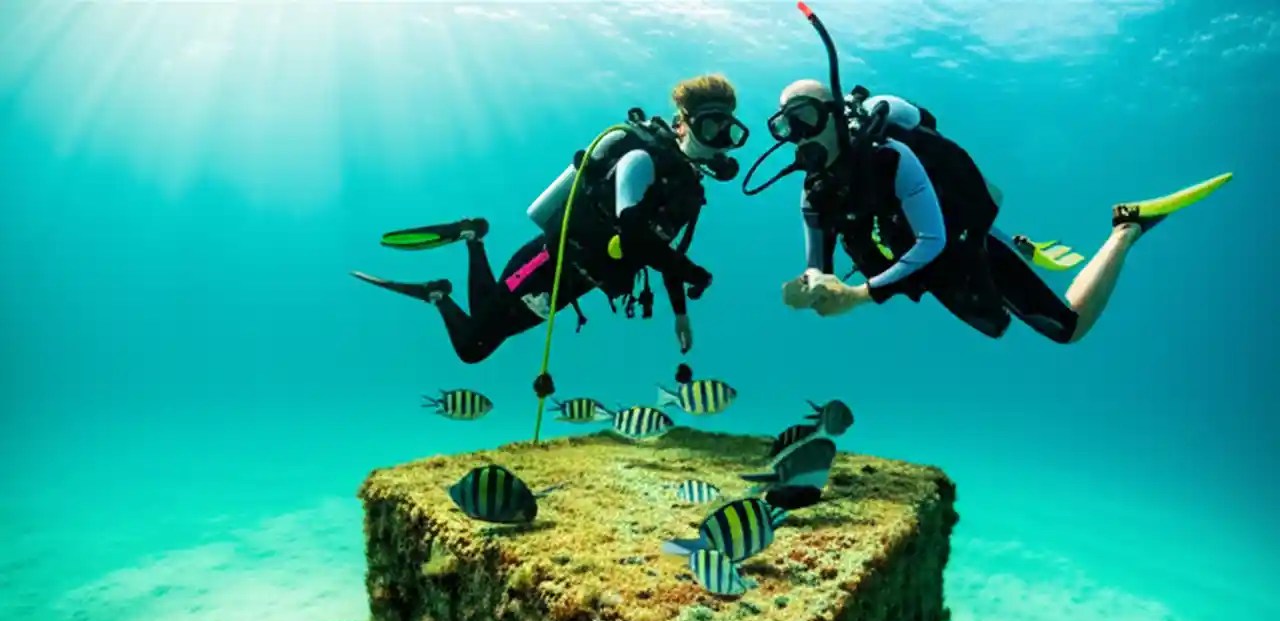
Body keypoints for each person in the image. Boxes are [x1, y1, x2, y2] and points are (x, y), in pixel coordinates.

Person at [745, 77, 1232, 344]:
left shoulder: (891, 155)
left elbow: (932, 242)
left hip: (951, 238)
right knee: (985, 308)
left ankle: (1126, 227)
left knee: (1066, 330)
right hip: (920, 251)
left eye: (805, 118)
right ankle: (1011, 236)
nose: (799, 136)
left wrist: (860, 295)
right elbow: (819, 266)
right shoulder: (814, 190)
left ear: (834, 115)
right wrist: (812, 289)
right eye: (785, 127)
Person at [351, 73, 749, 364]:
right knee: (475, 347)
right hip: (547, 262)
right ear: (681, 123)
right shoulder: (641, 160)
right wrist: (698, 275)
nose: (718, 140)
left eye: (727, 130)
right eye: (709, 126)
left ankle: (472, 239)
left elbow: (661, 250)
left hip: (574, 283)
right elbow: (633, 238)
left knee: (487, 325)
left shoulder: (686, 188)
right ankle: (445, 283)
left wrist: (680, 312)